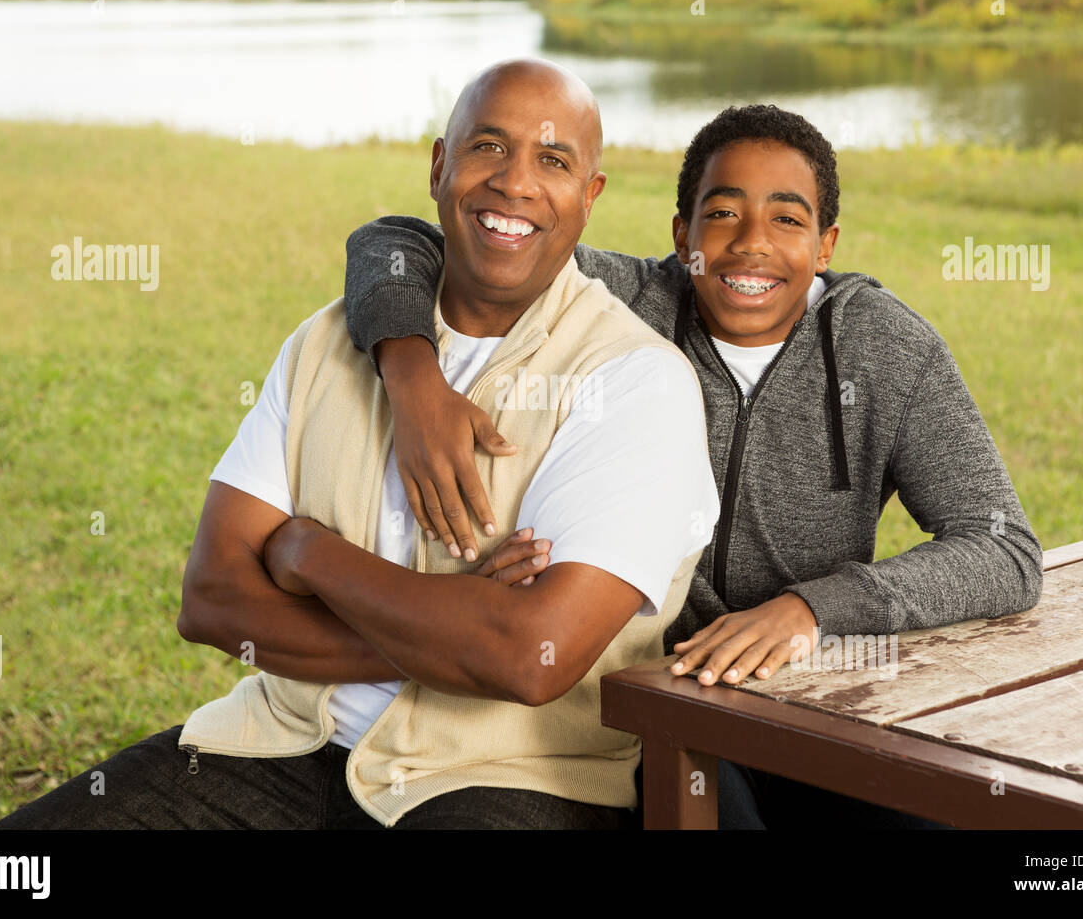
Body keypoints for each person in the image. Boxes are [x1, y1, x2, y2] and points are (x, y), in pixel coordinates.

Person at [0, 58, 718, 830]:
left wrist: (309, 556)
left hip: (504, 782)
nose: (515, 183)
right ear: (440, 165)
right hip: (277, 747)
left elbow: (528, 659)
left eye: (554, 161)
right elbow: (211, 600)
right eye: (487, 148)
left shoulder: (636, 383)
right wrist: (455, 623)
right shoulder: (327, 342)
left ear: (590, 195)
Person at [339, 103, 1044, 828]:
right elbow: (396, 240)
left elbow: (1003, 548)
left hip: (813, 696)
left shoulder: (888, 350)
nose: (751, 246)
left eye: (788, 221)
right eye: (723, 214)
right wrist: (415, 380)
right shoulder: (620, 302)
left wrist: (811, 608)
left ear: (826, 243)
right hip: (649, 695)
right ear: (682, 236)